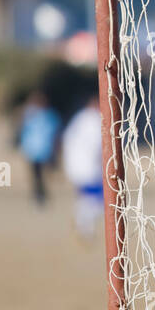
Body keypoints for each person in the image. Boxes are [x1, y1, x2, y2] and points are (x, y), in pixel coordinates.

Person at [62, 94, 105, 239]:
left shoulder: (79, 117)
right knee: (101, 200)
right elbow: (97, 145)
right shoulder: (95, 120)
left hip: (74, 166)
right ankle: (83, 223)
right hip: (89, 167)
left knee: (88, 197)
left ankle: (84, 224)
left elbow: (67, 138)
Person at [18, 91, 61, 205]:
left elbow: (55, 132)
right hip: (33, 150)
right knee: (36, 174)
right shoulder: (29, 114)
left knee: (45, 173)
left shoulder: (50, 115)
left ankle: (42, 193)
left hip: (45, 150)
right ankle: (38, 193)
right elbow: (23, 130)